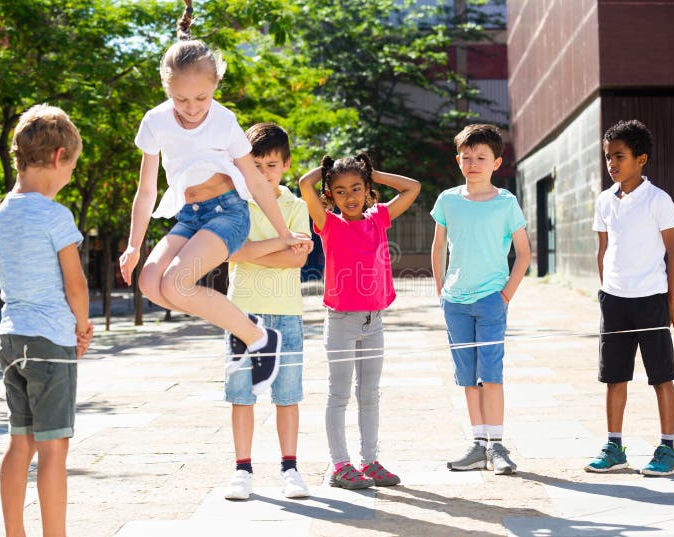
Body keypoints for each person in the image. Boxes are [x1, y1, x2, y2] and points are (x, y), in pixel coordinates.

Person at [118, 1, 311, 394]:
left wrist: (282, 231)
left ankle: (257, 337)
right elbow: (147, 189)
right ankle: (246, 329)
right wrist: (133, 245)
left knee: (177, 283)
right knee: (151, 283)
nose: (191, 109)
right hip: (190, 216)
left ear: (215, 87)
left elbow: (255, 182)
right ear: (166, 88)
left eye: (201, 98)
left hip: (228, 214)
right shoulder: (154, 122)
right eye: (181, 99)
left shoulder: (224, 121)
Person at [0, 104, 94, 537]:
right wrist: (83, 326)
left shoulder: (2, 214)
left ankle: (15, 532)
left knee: (20, 443)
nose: (69, 175)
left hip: (12, 341)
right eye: (71, 166)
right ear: (57, 158)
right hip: (51, 341)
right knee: (54, 448)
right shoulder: (55, 215)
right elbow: (76, 284)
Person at [299, 153, 420, 489]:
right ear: (330, 195)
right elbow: (303, 185)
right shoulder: (328, 224)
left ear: (368, 190)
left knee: (370, 394)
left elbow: (412, 188)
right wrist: (326, 171)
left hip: (374, 321)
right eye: (340, 191)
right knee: (339, 394)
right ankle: (340, 465)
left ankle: (370, 461)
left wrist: (374, 172)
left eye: (356, 188)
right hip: (341, 322)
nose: (350, 197)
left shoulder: (378, 218)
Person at [585, 119, 674, 476]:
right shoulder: (604, 201)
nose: (612, 163)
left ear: (641, 159)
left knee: (661, 375)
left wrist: (671, 301)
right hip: (614, 301)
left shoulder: (658, 200)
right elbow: (603, 250)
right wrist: (606, 292)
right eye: (608, 157)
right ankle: (614, 448)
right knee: (614, 376)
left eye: (620, 156)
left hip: (651, 300)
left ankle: (669, 450)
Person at [431, 124, 530, 475]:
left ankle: (497, 446)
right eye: (467, 157)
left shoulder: (506, 202)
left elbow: (523, 253)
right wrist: (441, 289)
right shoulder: (448, 200)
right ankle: (477, 444)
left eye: (481, 157)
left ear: (496, 162)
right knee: (468, 376)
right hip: (455, 302)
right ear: (458, 160)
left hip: (491, 299)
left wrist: (505, 295)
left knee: (492, 374)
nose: (473, 163)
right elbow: (439, 245)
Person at [222, 122, 313, 500]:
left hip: (286, 313)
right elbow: (234, 252)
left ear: (286, 165)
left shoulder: (296, 206)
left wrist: (264, 251)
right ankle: (242, 470)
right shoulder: (234, 205)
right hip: (241, 314)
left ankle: (290, 468)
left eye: (271, 165)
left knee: (287, 395)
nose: (263, 172)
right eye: (255, 165)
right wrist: (281, 240)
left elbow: (295, 262)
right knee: (241, 395)